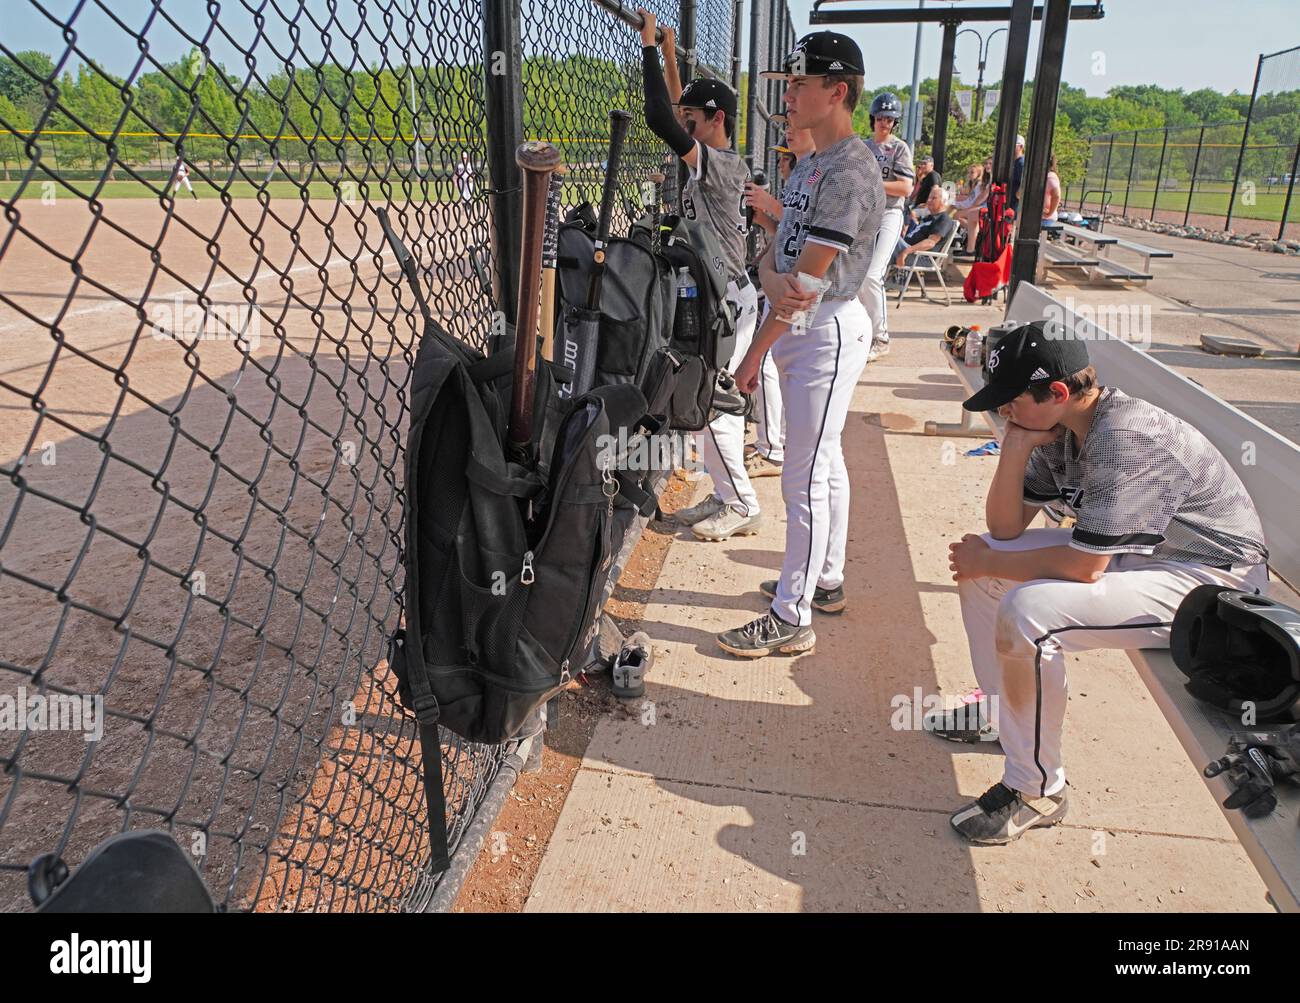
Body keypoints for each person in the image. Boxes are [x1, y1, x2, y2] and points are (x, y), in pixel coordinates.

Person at [932, 321, 1268, 844]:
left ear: (1057, 392)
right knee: (987, 567)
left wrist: (988, 559)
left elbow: (1084, 568)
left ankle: (1036, 787)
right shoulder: (1061, 426)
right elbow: (1005, 528)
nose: (1004, 411)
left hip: (1210, 584)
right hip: (1142, 557)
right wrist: (1015, 445)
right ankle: (1005, 718)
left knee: (1028, 615)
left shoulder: (1124, 436)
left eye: (1011, 402)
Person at [715, 30, 885, 658]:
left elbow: (806, 285)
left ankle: (792, 616)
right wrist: (771, 278)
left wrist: (753, 354)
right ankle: (825, 580)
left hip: (822, 330)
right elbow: (776, 255)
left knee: (803, 475)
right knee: (824, 462)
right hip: (803, 325)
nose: (788, 96)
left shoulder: (851, 169)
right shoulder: (814, 160)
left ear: (837, 91)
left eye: (800, 84)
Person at [635, 10, 762, 542]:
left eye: (693, 117)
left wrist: (646, 48)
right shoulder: (711, 157)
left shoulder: (723, 165)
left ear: (717, 119)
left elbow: (660, 120)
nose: (683, 123)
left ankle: (743, 503)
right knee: (704, 399)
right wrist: (669, 54)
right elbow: (673, 111)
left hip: (728, 300)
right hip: (721, 295)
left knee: (713, 404)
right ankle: (726, 492)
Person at [742, 126, 815, 481]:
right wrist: (765, 219)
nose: (781, 164)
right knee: (784, 368)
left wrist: (771, 206)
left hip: (802, 288)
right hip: (794, 285)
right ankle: (779, 442)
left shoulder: (814, 176)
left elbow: (807, 227)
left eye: (784, 158)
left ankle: (772, 448)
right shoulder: (799, 179)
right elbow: (788, 235)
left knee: (770, 365)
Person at [858, 92, 913, 364]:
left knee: (872, 274)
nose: (885, 123)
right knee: (856, 275)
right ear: (873, 118)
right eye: (881, 117)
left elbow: (905, 187)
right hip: (865, 214)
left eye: (890, 119)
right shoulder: (863, 146)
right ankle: (863, 332)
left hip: (890, 212)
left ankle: (881, 338)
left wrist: (873, 183)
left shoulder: (899, 148)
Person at [892, 184, 954, 274]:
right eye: (929, 198)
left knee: (889, 237)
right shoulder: (929, 217)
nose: (929, 200)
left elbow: (930, 243)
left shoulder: (943, 219)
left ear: (944, 201)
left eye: (933, 198)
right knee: (887, 236)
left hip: (921, 257)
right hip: (910, 252)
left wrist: (906, 252)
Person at [952, 161, 990, 256]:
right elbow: (971, 197)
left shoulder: (981, 183)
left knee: (956, 215)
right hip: (976, 206)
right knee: (957, 214)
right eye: (986, 163)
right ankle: (971, 241)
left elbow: (979, 199)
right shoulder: (979, 183)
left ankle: (973, 239)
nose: (969, 174)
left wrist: (968, 206)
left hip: (981, 208)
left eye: (972, 172)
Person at [908, 155, 941, 222]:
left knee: (910, 214)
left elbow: (936, 192)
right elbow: (915, 192)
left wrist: (927, 204)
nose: (922, 166)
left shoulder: (933, 175)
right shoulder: (926, 177)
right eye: (921, 163)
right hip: (919, 206)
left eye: (925, 164)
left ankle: (916, 228)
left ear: (932, 165)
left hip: (927, 209)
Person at [1042, 152, 1061, 223]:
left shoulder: (1050, 177)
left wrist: (1049, 213)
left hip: (1045, 219)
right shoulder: (1043, 176)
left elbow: (1056, 196)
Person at [1009, 134, 1025, 212]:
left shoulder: (1021, 163)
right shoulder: (1014, 162)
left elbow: (1024, 182)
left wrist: (1017, 195)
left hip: (1015, 205)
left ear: (1021, 147)